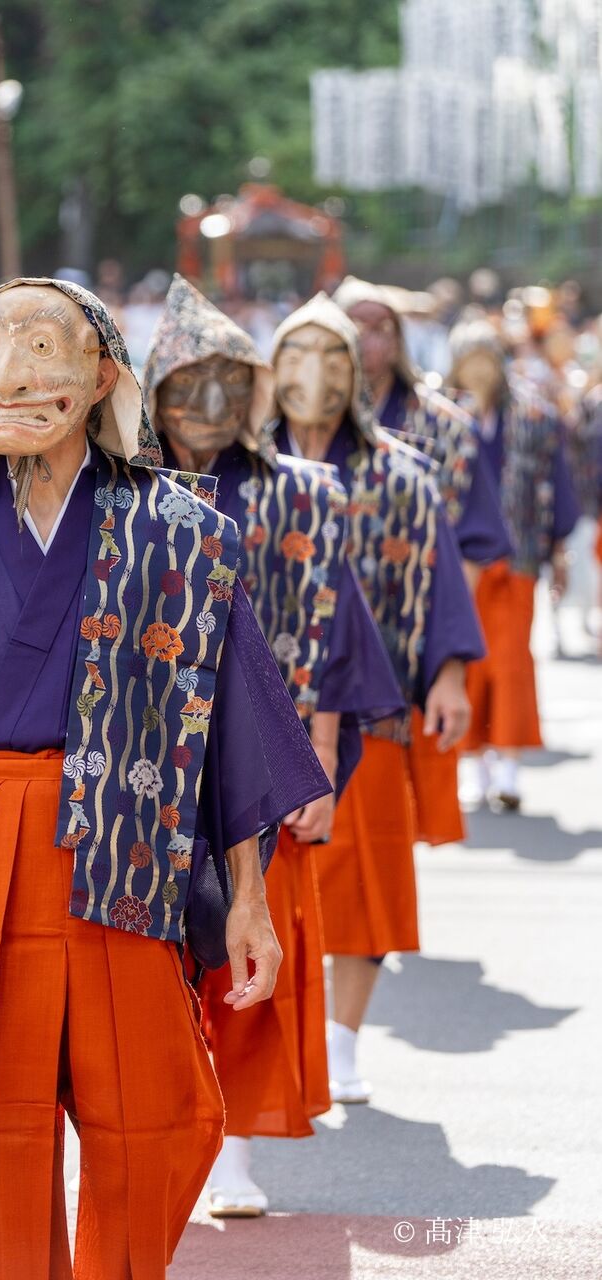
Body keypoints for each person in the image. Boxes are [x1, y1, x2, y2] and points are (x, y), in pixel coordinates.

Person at [0, 278, 330, 1280]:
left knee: (160, 1116)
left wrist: (249, 894)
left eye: (38, 350)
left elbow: (233, 726)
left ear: (100, 382)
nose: (7, 372)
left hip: (123, 841)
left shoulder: (180, 530)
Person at [143, 276, 403, 1215]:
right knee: (140, 968)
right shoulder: (118, 493)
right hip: (144, 765)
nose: (206, 403)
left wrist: (321, 764)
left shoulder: (304, 494)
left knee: (248, 963)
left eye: (226, 381)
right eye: (187, 381)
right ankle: (152, 1138)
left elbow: (340, 645)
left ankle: (236, 1153)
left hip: (264, 764)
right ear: (154, 387)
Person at [270, 294, 484, 1103]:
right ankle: (269, 1043)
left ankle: (341, 1038)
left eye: (333, 357)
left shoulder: (403, 472)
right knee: (263, 881)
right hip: (261, 710)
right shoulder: (236, 470)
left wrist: (451, 673)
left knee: (364, 879)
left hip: (374, 700)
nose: (315, 374)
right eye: (297, 354)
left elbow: (436, 580)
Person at [334, 276, 513, 842]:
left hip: (400, 640)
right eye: (356, 326)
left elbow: (477, 542)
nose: (368, 339)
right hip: (314, 641)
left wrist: (439, 640)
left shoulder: (445, 427)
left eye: (381, 326)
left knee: (383, 822)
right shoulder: (291, 425)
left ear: (401, 338)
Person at [447, 320, 580, 809]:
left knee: (512, 664)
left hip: (518, 555)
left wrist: (558, 549)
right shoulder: (442, 416)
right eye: (470, 360)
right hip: (460, 563)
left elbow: (554, 483)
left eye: (487, 359)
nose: (479, 370)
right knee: (464, 662)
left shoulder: (534, 414)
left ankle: (508, 764)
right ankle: (473, 764)